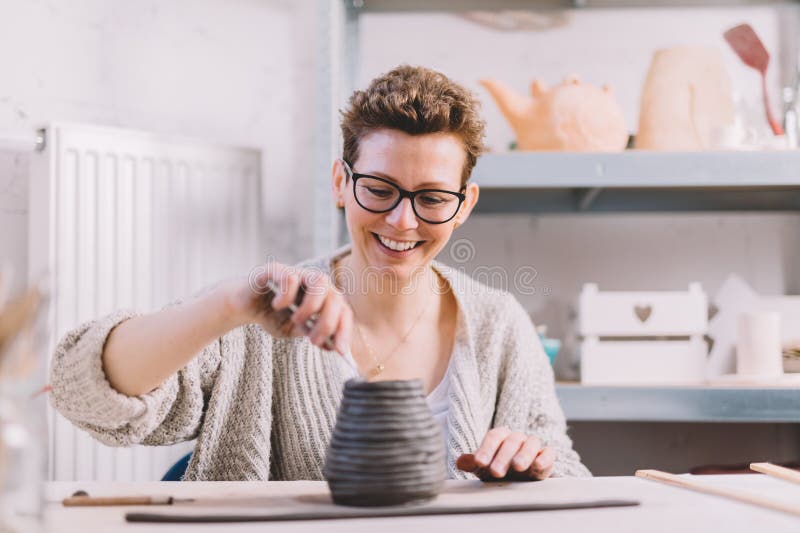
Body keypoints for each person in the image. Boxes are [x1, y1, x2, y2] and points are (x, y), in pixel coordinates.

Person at [50, 65, 590, 481]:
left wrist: (536, 466)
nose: (402, 221)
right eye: (379, 189)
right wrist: (228, 304)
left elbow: (564, 473)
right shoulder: (261, 316)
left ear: (464, 204)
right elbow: (85, 392)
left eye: (431, 198)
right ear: (340, 182)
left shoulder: (499, 325)